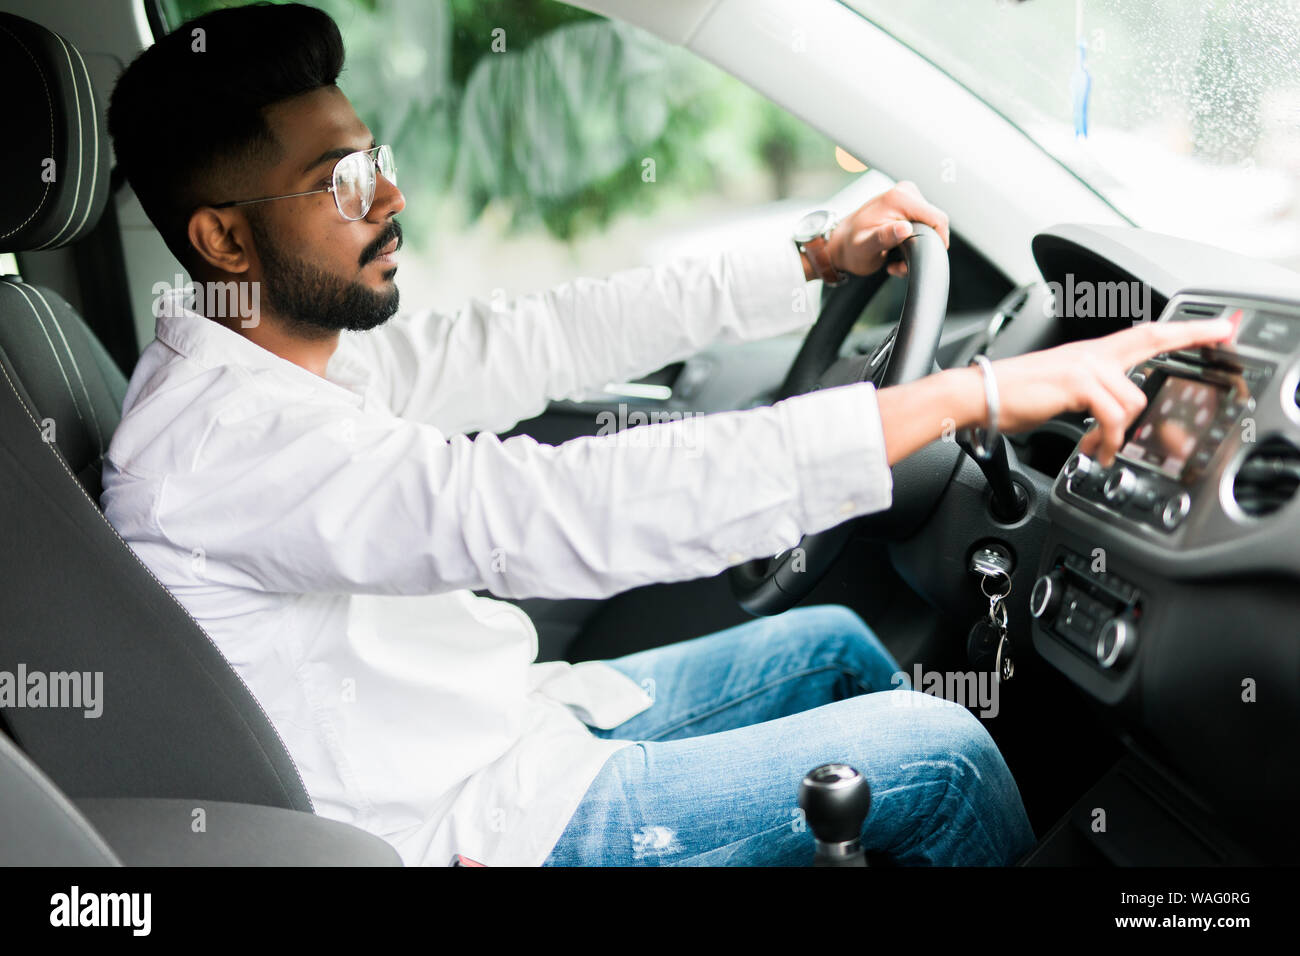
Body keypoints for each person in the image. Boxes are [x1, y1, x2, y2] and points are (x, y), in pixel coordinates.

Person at [101, 3, 1234, 867]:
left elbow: (528, 338)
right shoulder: (224, 447)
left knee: (837, 639)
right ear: (226, 240)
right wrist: (963, 397)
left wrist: (804, 258)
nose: (388, 197)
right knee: (941, 753)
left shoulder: (268, 353)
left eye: (379, 158)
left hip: (504, 734)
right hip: (469, 823)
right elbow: (554, 510)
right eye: (339, 181)